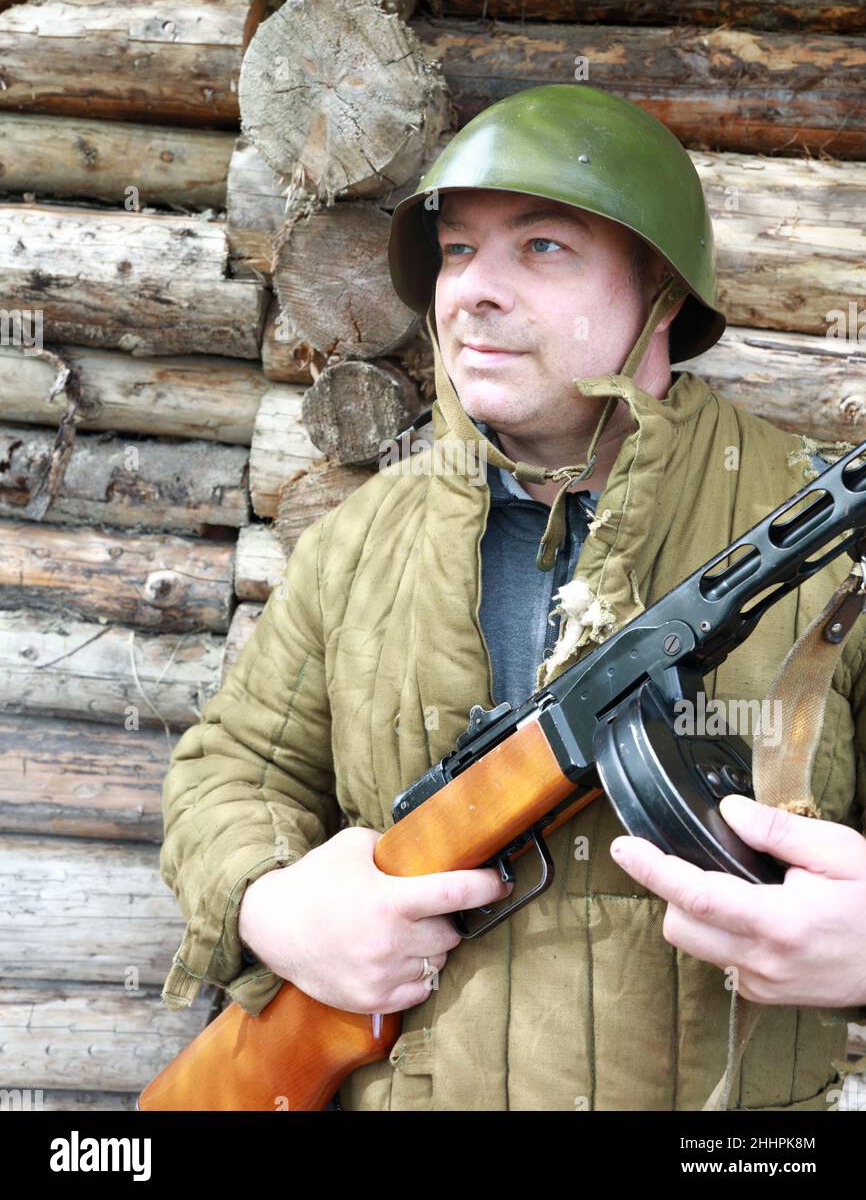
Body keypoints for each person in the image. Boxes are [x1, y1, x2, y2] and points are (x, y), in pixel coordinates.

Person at [158, 84, 866, 1111]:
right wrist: (273, 901)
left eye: (540, 247)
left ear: (661, 290)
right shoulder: (362, 540)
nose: (469, 293)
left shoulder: (828, 540)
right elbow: (230, 768)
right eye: (455, 251)